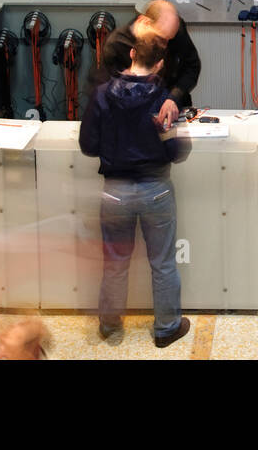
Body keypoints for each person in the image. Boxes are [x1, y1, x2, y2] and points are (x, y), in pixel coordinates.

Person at [79, 28, 192, 348]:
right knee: (163, 262)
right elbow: (178, 153)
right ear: (159, 65)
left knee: (115, 261)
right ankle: (167, 327)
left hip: (115, 191)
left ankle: (111, 326)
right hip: (156, 189)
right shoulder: (164, 100)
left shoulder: (102, 94)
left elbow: (88, 145)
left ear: (131, 54)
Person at [97, 0, 201, 130]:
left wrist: (174, 97)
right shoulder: (116, 46)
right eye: (161, 39)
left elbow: (192, 66)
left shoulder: (174, 29)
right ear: (144, 23)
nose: (165, 46)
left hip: (171, 108)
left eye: (170, 40)